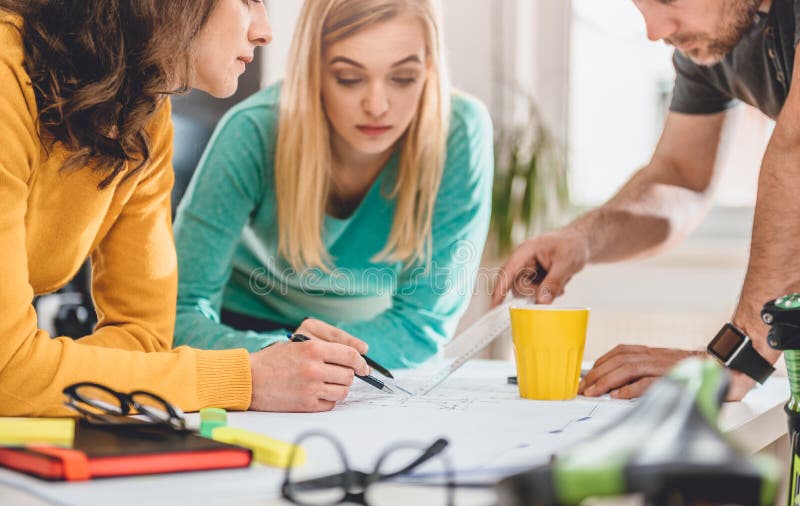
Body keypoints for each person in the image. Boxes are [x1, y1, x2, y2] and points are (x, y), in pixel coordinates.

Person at [0, 0, 372, 417]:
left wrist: (44, 378)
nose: (265, 32)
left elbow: (144, 340)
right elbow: (8, 372)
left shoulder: (145, 117)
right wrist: (241, 380)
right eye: (249, 1)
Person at [493, 0, 800, 401]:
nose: (655, 30)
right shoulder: (713, 37)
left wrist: (741, 355)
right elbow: (680, 178)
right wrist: (582, 239)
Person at [173, 0, 493, 371]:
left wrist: (319, 355)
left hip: (374, 339)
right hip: (236, 332)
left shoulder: (460, 134)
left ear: (430, 71)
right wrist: (280, 355)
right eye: (349, 78)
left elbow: (421, 325)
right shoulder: (253, 130)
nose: (377, 106)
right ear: (315, 72)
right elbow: (179, 312)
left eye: (403, 78)